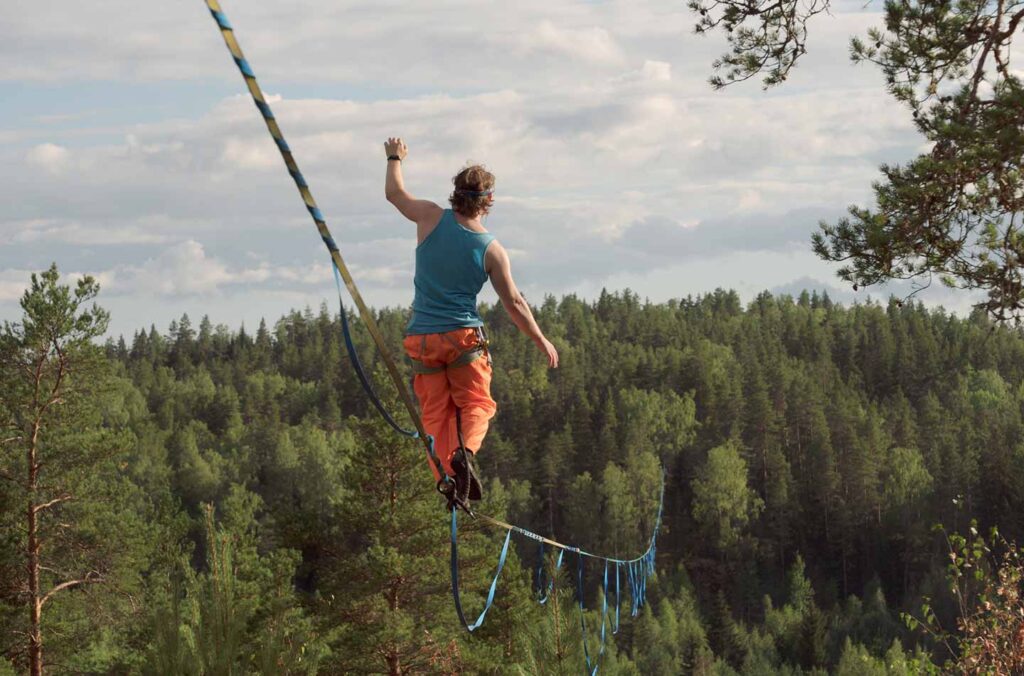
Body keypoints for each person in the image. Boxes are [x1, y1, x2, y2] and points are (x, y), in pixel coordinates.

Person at [383, 137, 559, 509]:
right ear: (488, 202)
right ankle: (465, 453)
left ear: (454, 194)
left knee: (435, 414)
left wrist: (394, 157)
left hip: (423, 340)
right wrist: (540, 338)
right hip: (463, 340)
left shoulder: (429, 217)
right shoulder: (492, 249)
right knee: (476, 404)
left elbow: (395, 194)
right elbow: (513, 302)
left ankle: (448, 480)